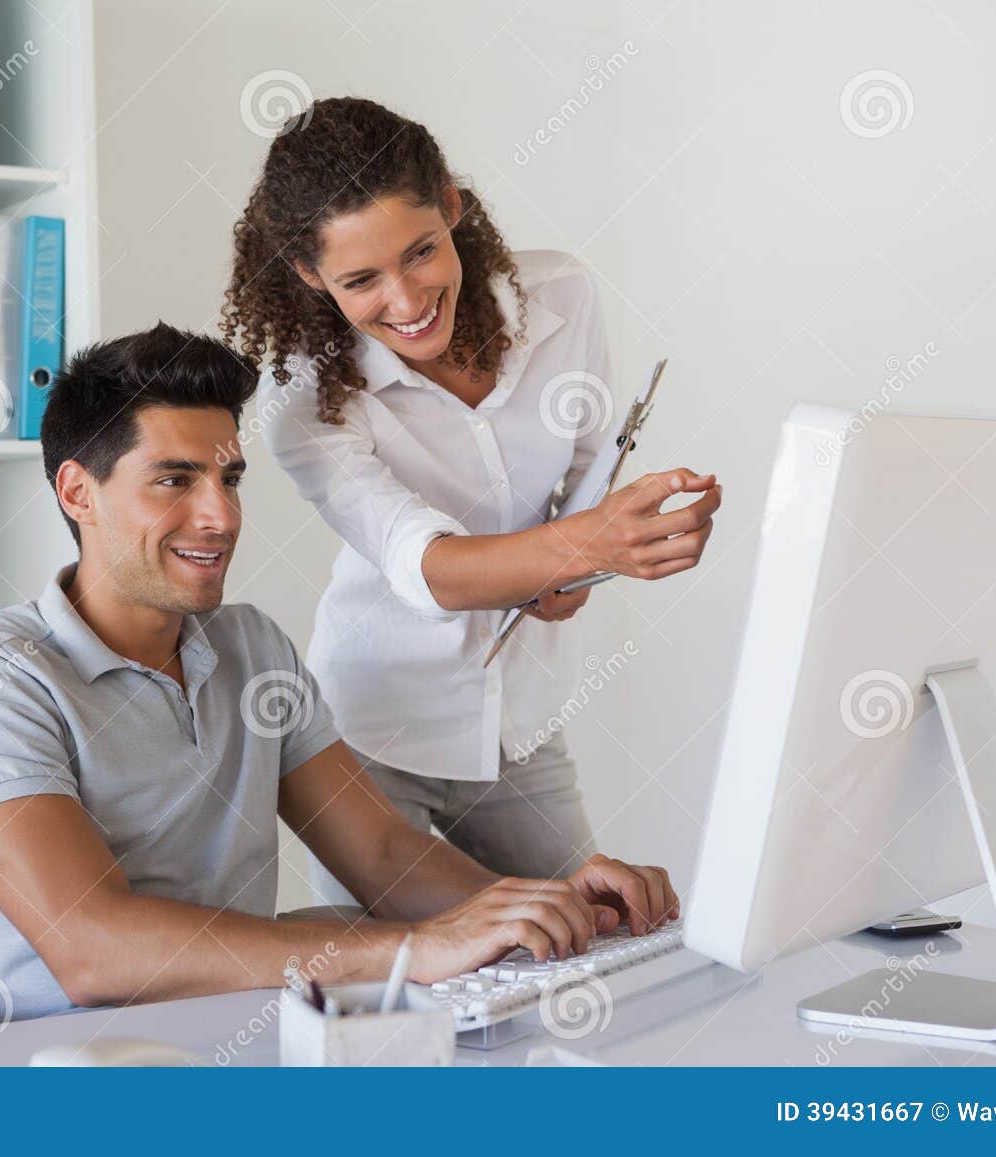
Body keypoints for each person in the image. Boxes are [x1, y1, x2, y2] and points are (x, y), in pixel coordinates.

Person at [0, 319, 679, 1019]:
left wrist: (547, 902)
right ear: (79, 492)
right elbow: (93, 948)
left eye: (229, 478)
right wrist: (411, 950)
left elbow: (381, 852)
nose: (220, 515)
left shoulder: (249, 650)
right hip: (41, 1075)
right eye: (175, 479)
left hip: (224, 1035)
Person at [222, 97, 719, 896]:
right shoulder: (305, 403)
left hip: (516, 720)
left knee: (596, 924)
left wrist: (580, 562)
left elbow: (588, 471)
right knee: (398, 981)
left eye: (421, 251)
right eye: (361, 279)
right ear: (312, 276)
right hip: (377, 730)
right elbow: (422, 563)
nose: (408, 300)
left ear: (451, 205)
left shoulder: (564, 299)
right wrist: (585, 546)